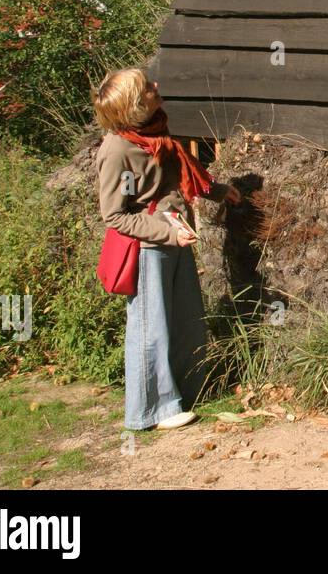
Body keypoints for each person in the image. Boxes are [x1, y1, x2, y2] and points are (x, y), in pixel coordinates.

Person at [92, 68, 242, 431]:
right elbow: (115, 216)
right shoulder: (117, 150)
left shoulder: (155, 133)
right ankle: (153, 411)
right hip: (148, 249)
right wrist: (164, 233)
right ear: (133, 106)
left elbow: (177, 179)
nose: (155, 87)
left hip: (175, 238)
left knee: (186, 319)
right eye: (146, 88)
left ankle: (187, 392)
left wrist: (218, 191)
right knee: (150, 327)